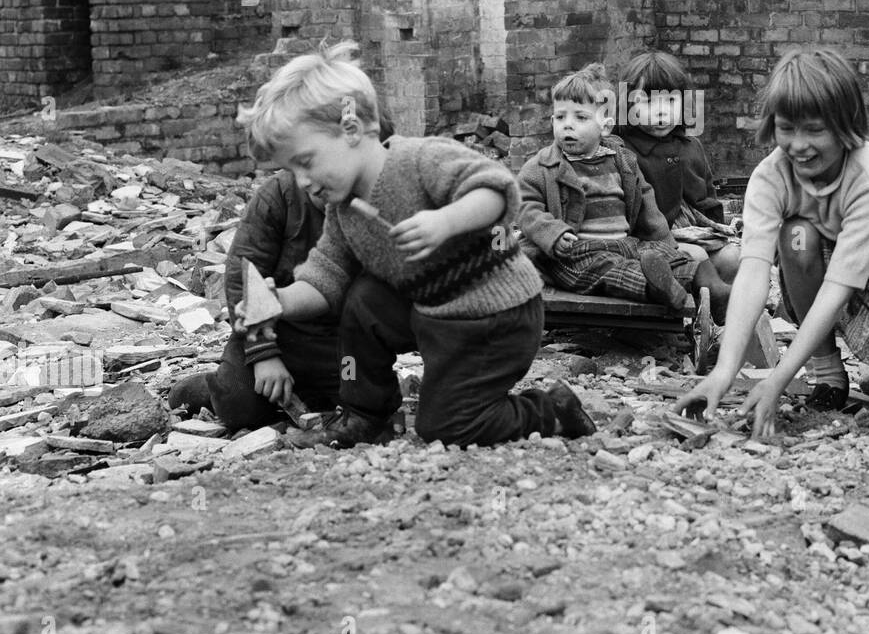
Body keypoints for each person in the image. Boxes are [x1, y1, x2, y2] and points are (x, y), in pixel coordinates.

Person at [233, 41, 594, 449]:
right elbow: (323, 279)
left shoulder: (419, 159)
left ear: (350, 130)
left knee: (447, 427)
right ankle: (366, 413)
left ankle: (553, 410)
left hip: (493, 317)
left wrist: (445, 221)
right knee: (362, 302)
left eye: (306, 161)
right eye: (290, 169)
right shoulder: (344, 212)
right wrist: (277, 300)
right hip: (432, 312)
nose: (300, 181)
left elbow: (497, 189)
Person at [675, 45, 869, 436]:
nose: (799, 145)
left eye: (815, 130)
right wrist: (724, 371)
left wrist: (777, 380)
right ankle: (828, 372)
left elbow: (839, 286)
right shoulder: (771, 177)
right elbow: (753, 273)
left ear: (845, 125)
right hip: (843, 270)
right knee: (797, 235)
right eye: (787, 128)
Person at [168, 104, 393, 430]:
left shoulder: (369, 204)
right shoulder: (278, 198)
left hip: (341, 346)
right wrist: (263, 354)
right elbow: (243, 278)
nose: (308, 183)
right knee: (238, 407)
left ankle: (314, 398)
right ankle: (205, 388)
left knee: (361, 409)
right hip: (279, 335)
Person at [517, 62, 731, 320]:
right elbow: (526, 207)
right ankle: (657, 289)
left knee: (669, 256)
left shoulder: (622, 160)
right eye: (560, 117)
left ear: (605, 127)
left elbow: (647, 205)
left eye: (580, 117)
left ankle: (714, 290)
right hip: (575, 253)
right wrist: (552, 233)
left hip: (625, 243)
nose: (568, 125)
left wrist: (666, 243)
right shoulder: (542, 167)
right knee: (609, 270)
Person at [614, 50, 741, 283]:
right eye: (649, 102)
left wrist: (718, 229)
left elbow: (707, 196)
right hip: (650, 241)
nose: (662, 111)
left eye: (671, 101)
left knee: (733, 257)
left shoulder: (691, 145)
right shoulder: (622, 150)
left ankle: (717, 313)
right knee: (696, 256)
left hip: (694, 233)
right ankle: (701, 308)